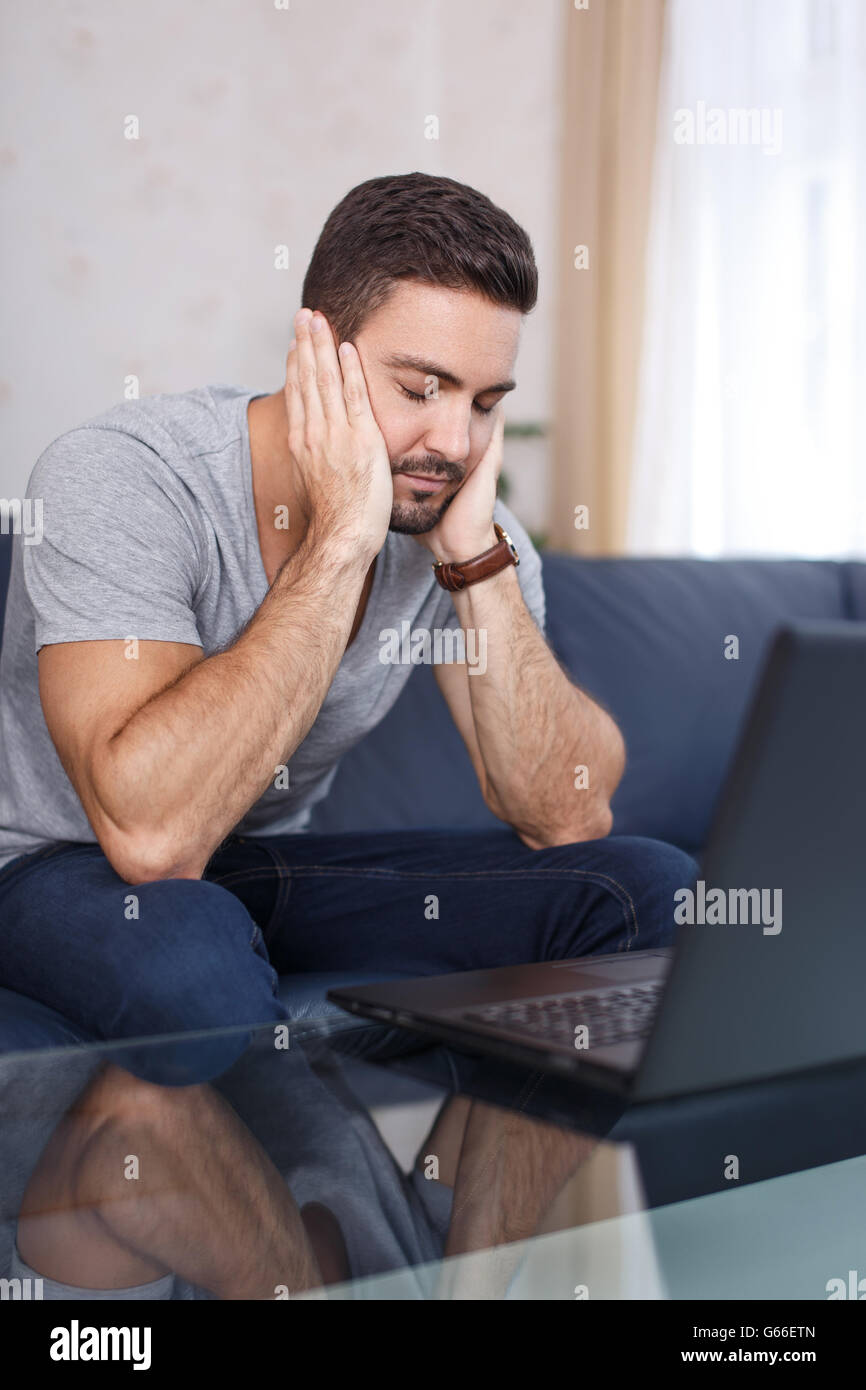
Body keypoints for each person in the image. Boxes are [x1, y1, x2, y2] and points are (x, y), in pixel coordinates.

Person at [0, 171, 696, 1295]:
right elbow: (148, 833)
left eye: (484, 399)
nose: (455, 437)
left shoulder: (451, 512)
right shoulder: (124, 477)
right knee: (185, 962)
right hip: (56, 861)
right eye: (421, 386)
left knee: (642, 887)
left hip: (251, 864)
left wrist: (473, 559)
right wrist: (335, 545)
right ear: (315, 353)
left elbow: (564, 806)